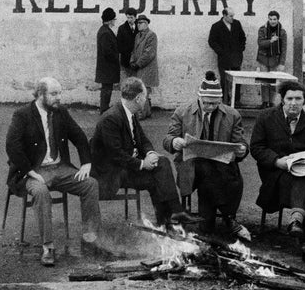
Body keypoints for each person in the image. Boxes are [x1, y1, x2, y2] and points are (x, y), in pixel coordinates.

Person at [5, 78, 101, 266]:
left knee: (90, 184)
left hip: (59, 168)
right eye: (54, 94)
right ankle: (48, 246)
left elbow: (79, 137)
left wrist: (86, 163)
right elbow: (12, 146)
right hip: (33, 171)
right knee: (41, 192)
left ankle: (90, 238)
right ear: (41, 95)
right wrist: (30, 172)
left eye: (60, 93)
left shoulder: (60, 112)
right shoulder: (22, 114)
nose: (59, 98)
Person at [90, 77, 194, 228]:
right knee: (157, 179)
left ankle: (172, 216)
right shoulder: (111, 118)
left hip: (126, 166)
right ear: (138, 98)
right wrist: (142, 164)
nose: (147, 99)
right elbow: (115, 155)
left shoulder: (129, 112)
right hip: (111, 174)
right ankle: (168, 221)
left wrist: (150, 153)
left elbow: (143, 140)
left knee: (162, 162)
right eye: (146, 96)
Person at [249, 80, 305, 269]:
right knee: (303, 187)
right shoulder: (266, 118)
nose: (294, 102)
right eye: (289, 98)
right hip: (276, 174)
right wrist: (277, 161)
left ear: (304, 101)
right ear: (282, 100)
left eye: (298, 99)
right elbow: (257, 148)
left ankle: (296, 221)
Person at [163, 71, 251, 239]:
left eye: (215, 104)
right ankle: (228, 218)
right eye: (207, 103)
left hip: (222, 166)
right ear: (199, 98)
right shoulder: (183, 112)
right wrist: (175, 142)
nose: (210, 107)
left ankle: (208, 220)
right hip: (191, 166)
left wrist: (242, 150)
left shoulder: (232, 115)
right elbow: (168, 139)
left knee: (221, 170)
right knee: (206, 168)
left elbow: (240, 142)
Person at [208, 8, 246, 105]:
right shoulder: (216, 26)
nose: (232, 18)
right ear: (224, 16)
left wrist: (240, 49)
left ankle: (236, 100)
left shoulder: (237, 24)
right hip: (223, 58)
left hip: (236, 57)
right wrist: (220, 52)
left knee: (237, 79)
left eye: (233, 16)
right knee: (224, 79)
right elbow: (212, 41)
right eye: (230, 16)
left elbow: (242, 37)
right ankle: (225, 100)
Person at [256, 11, 287, 107]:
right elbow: (260, 43)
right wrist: (270, 41)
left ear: (278, 20)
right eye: (270, 19)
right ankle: (265, 101)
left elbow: (284, 48)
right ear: (268, 19)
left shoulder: (282, 32)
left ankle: (272, 102)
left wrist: (282, 63)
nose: (272, 21)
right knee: (264, 81)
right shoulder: (262, 29)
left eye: (274, 19)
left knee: (273, 82)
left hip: (275, 60)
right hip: (263, 58)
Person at [129, 14, 158, 117]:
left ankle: (142, 114)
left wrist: (138, 64)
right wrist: (132, 61)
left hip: (147, 68)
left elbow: (149, 53)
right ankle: (147, 112)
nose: (138, 25)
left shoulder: (151, 35)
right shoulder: (138, 36)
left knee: (143, 91)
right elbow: (134, 50)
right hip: (139, 67)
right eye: (137, 23)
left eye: (140, 23)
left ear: (146, 24)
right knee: (142, 90)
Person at [94, 7, 120, 114]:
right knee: (106, 90)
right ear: (110, 20)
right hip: (107, 67)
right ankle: (104, 110)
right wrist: (115, 58)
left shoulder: (104, 30)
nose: (114, 21)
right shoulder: (105, 32)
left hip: (106, 67)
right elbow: (107, 51)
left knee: (106, 89)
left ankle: (104, 109)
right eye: (114, 19)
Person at [116, 8, 138, 77]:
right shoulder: (121, 28)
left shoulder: (140, 27)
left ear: (135, 17)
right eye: (128, 17)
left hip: (137, 60)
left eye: (131, 17)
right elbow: (119, 45)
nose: (129, 20)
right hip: (126, 60)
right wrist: (128, 52)